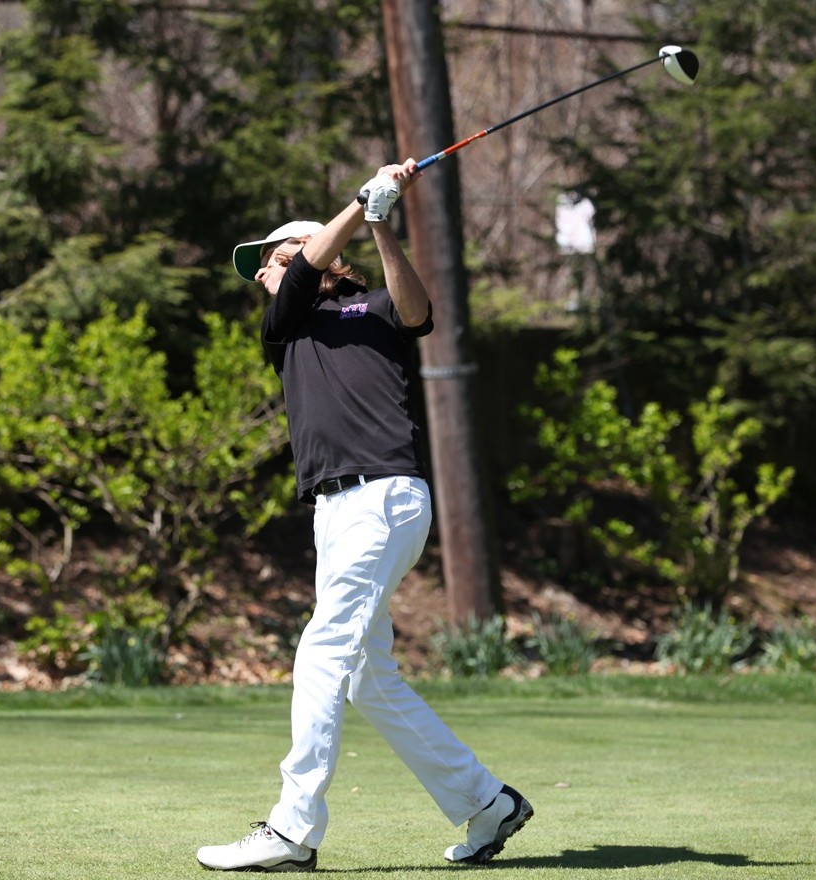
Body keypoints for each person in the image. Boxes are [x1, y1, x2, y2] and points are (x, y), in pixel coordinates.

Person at [196, 161, 532, 872]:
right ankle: (486, 803)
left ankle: (292, 830)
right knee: (366, 678)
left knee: (320, 653)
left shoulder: (370, 308)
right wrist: (359, 201)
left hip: (382, 498)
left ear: (320, 256)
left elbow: (417, 313)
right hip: (337, 510)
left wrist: (379, 221)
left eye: (274, 258)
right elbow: (300, 273)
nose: (262, 274)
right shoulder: (286, 325)